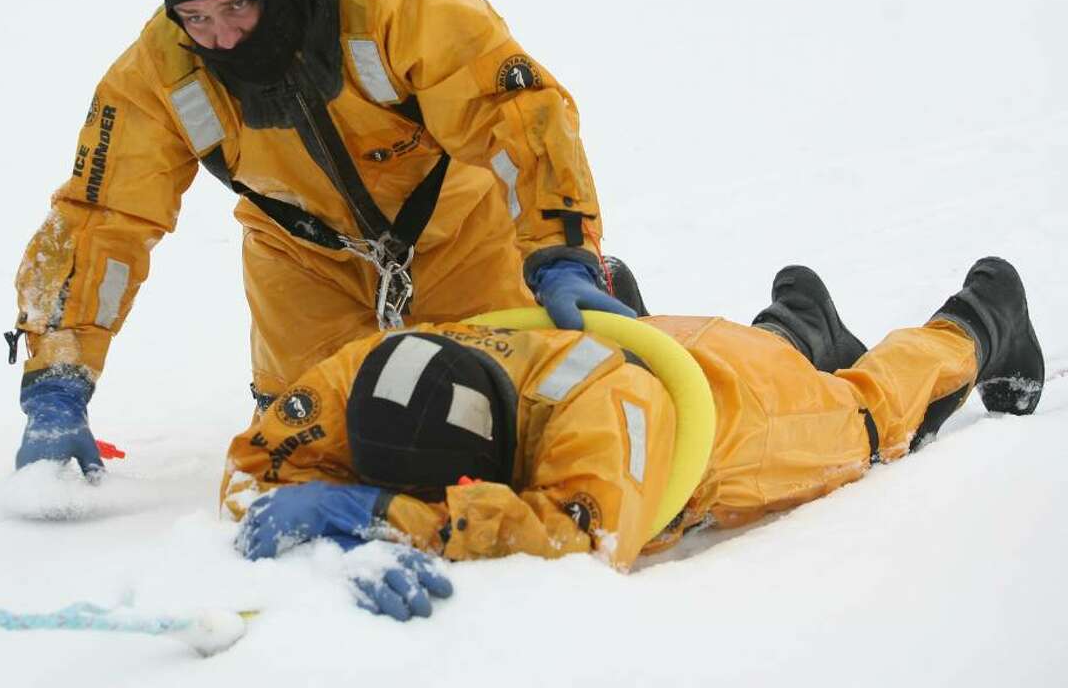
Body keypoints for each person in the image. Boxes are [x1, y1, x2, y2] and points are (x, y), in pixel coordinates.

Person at [8, 0, 633, 476]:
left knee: (505, 423)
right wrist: (58, 377)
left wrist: (561, 249)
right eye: (195, 16)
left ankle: (601, 293)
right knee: (308, 445)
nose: (221, 36)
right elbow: (101, 216)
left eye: (236, 7)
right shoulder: (161, 72)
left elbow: (517, 115)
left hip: (455, 227)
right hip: (300, 255)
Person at [221, 257, 1043, 621]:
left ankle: (979, 319)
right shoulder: (369, 368)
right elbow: (257, 460)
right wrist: (303, 497)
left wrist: (380, 511)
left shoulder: (596, 422)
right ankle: (800, 325)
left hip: (735, 414)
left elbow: (583, 536)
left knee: (867, 418)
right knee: (773, 357)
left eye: (456, 494)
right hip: (664, 345)